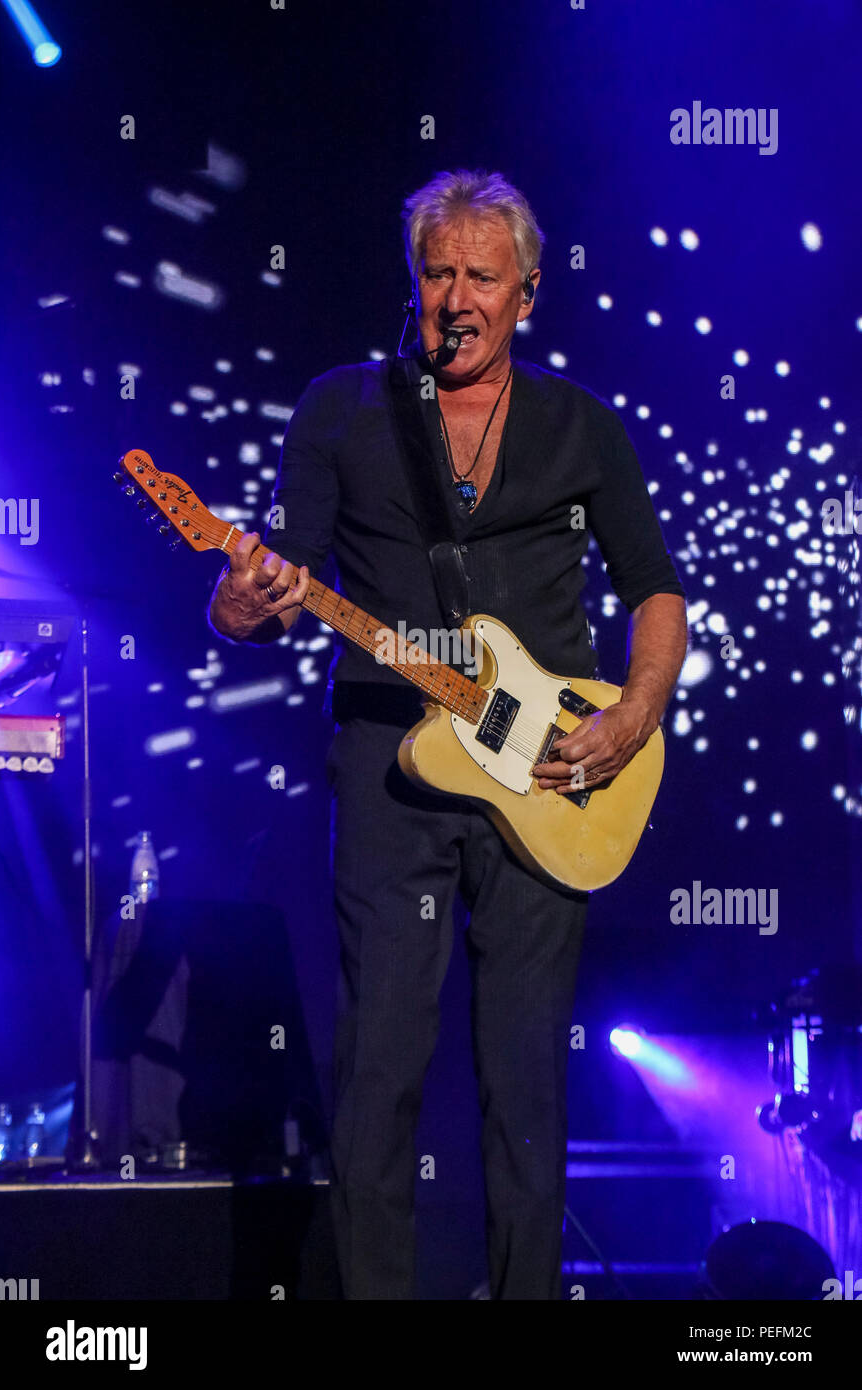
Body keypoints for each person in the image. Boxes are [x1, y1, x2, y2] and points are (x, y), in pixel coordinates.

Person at [208, 168, 688, 1299]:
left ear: (528, 292)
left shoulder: (581, 425)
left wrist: (634, 708)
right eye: (436, 272)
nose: (454, 297)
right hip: (393, 763)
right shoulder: (341, 408)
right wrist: (244, 599)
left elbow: (653, 590)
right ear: (411, 281)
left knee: (524, 1084)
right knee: (377, 1071)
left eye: (480, 275)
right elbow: (272, 593)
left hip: (550, 768)